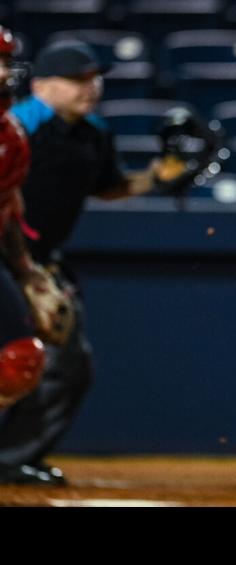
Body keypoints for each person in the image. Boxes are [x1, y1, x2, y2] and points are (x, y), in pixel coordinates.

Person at [0, 41, 187, 485]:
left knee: (67, 364)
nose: (91, 87)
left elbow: (109, 188)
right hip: (13, 254)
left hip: (37, 256)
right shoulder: (23, 124)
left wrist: (159, 177)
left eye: (94, 78)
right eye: (77, 79)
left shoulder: (94, 133)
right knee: (33, 359)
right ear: (43, 85)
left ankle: (11, 458)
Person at [1, 26, 49, 419]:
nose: (2, 72)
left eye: (3, 62)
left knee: (22, 360)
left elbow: (8, 206)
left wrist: (27, 272)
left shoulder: (12, 136)